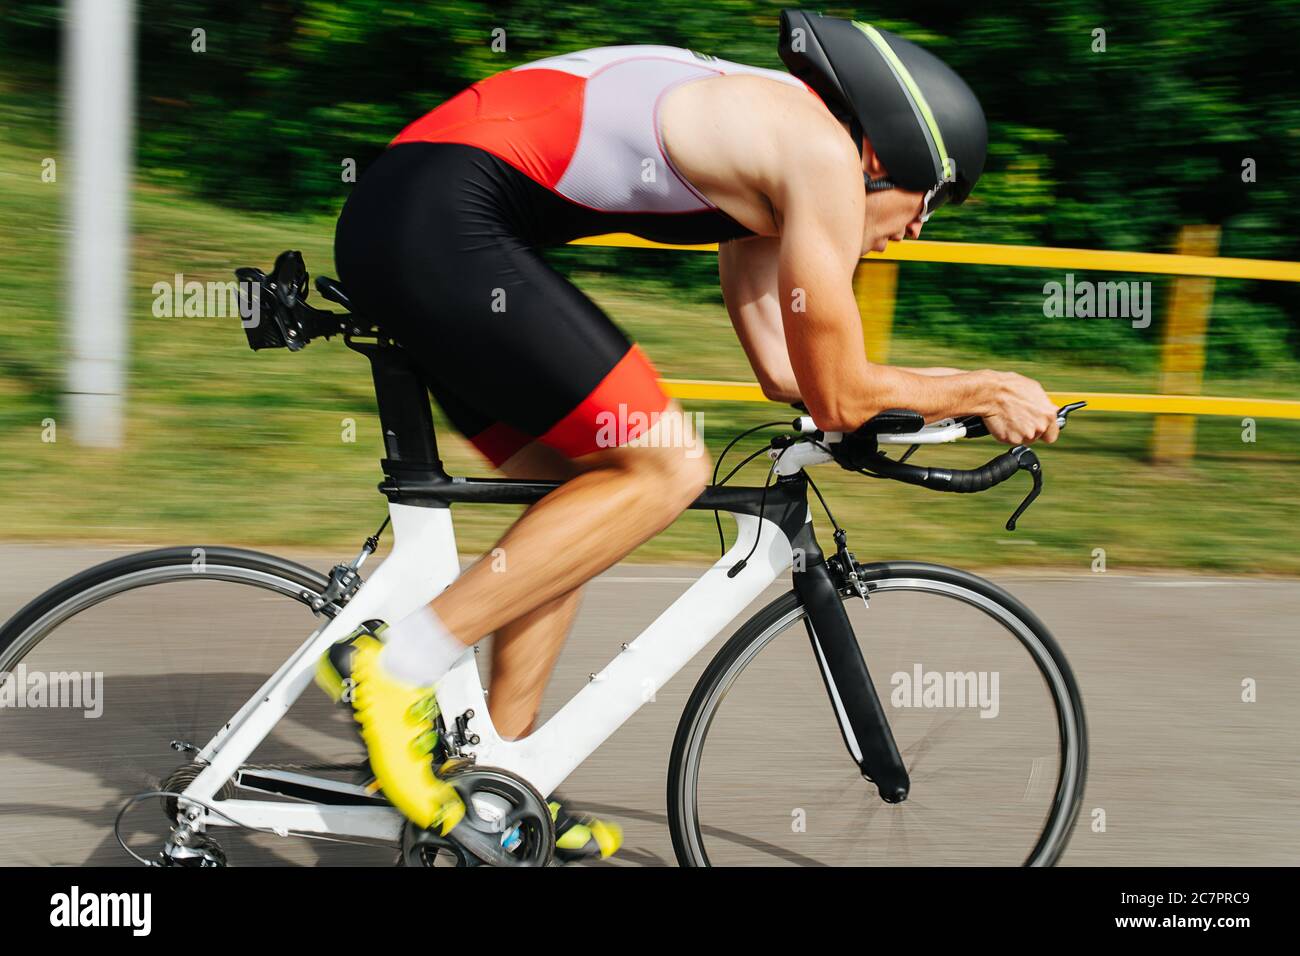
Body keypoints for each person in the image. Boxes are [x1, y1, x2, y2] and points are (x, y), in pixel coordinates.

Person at [322, 9, 1061, 862]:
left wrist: (934, 413)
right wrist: (984, 388)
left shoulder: (771, 167)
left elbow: (794, 380)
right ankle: (396, 665)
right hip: (442, 222)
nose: (921, 227)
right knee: (667, 466)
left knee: (583, 505)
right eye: (931, 199)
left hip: (414, 216)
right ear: (880, 156)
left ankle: (499, 779)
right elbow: (840, 388)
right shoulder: (819, 153)